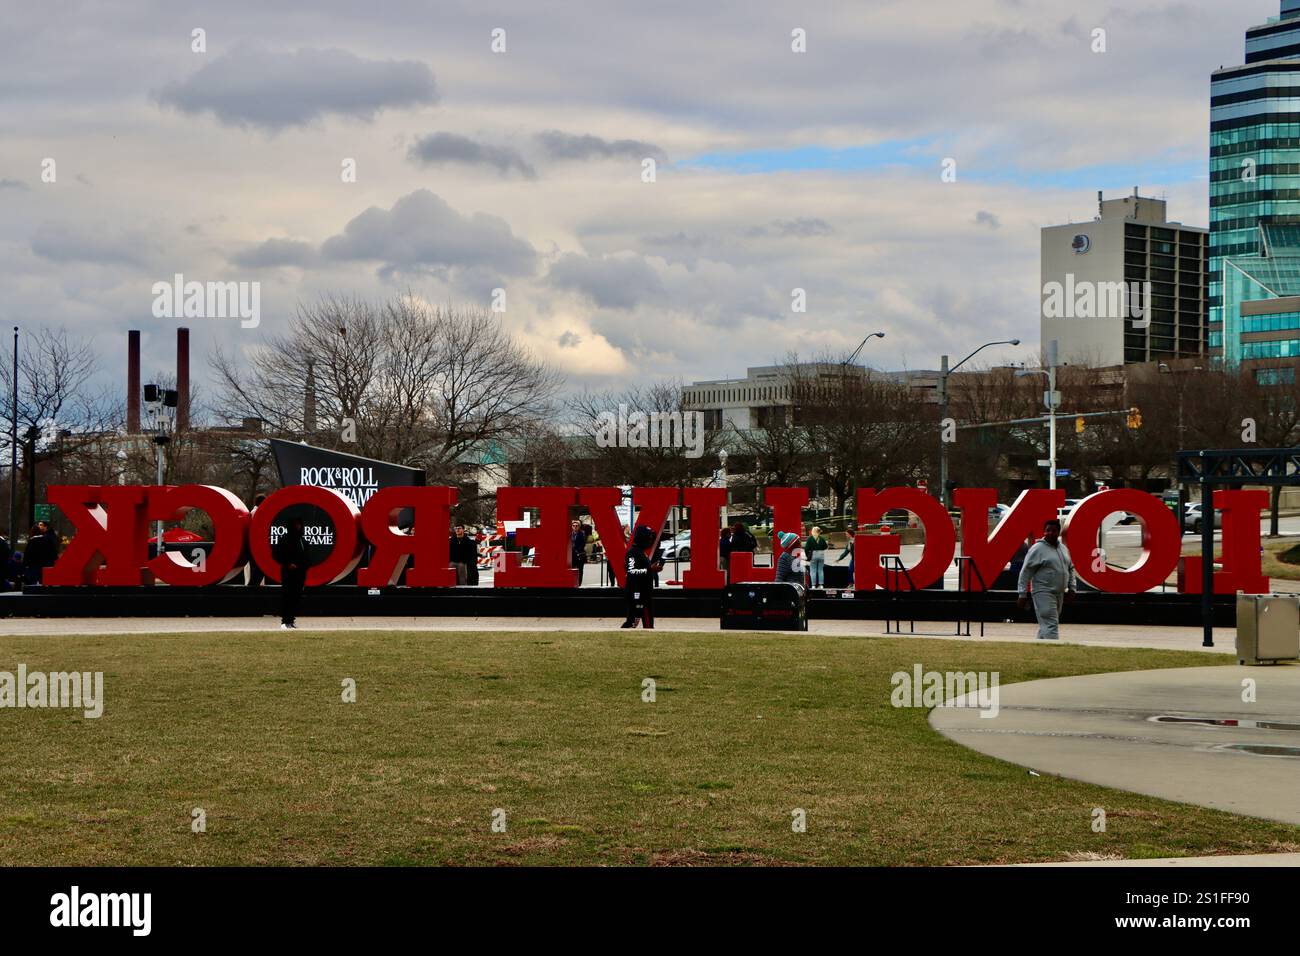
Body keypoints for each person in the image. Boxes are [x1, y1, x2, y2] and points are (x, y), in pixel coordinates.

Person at [1017, 518, 1075, 640]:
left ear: (1058, 532)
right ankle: (1054, 653)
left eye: (1053, 531)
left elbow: (1070, 568)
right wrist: (1022, 594)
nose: (1050, 533)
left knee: (1047, 625)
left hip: (1059, 593)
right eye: (1047, 530)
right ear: (1043, 532)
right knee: (1051, 624)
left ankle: (1040, 649)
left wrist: (1072, 588)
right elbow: (1025, 571)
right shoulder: (1037, 549)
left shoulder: (1063, 549)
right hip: (1043, 592)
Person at [621, 525, 663, 629]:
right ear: (641, 538)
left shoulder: (641, 552)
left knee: (639, 621)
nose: (650, 540)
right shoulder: (632, 553)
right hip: (637, 593)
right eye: (648, 538)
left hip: (644, 592)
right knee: (633, 622)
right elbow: (631, 572)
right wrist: (650, 569)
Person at [272, 517, 308, 630]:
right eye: (296, 524)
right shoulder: (285, 539)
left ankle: (291, 620)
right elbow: (276, 554)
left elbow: (306, 555)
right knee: (287, 596)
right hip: (289, 573)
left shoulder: (302, 540)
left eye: (300, 524)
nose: (298, 526)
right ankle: (285, 621)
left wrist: (305, 566)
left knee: (296, 597)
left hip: (300, 573)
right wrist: (288, 563)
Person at [247, 494, 267, 586]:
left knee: (255, 566)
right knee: (257, 566)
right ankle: (253, 585)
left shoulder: (254, 512)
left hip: (254, 543)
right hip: (255, 544)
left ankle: (254, 585)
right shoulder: (256, 512)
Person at [570, 518, 589, 586]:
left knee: (580, 571)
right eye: (573, 525)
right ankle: (573, 583)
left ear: (579, 526)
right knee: (572, 570)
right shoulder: (570, 534)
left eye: (576, 525)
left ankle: (579, 584)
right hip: (572, 555)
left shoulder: (582, 533)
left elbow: (583, 544)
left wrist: (576, 549)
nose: (575, 527)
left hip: (579, 555)